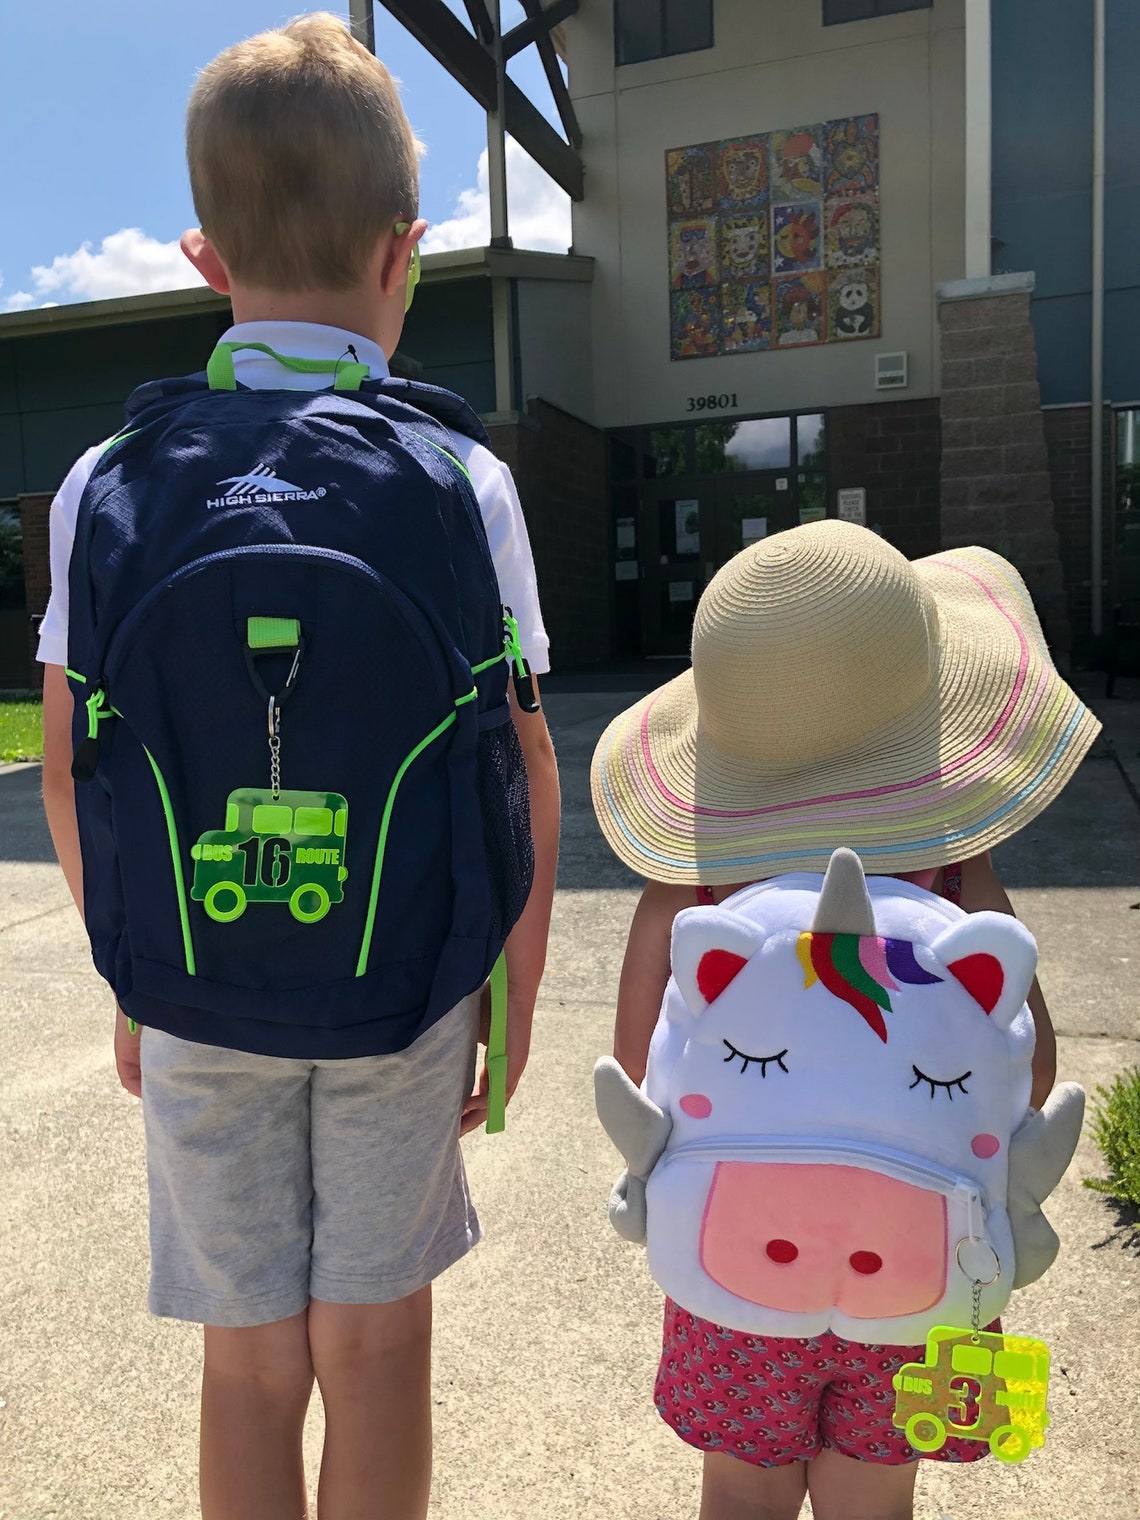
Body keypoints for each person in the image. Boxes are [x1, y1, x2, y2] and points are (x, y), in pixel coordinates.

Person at [38, 17, 559, 1520]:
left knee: (249, 1361)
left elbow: (71, 767)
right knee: (378, 1342)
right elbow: (523, 761)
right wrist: (509, 992)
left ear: (206, 260)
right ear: (405, 253)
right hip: (407, 986)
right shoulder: (464, 477)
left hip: (197, 991)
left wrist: (136, 965)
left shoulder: (103, 483)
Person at [590, 520, 1100, 1520]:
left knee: (740, 1492)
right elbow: (1028, 1067)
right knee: (878, 1497)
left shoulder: (690, 888)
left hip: (739, 1270)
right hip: (924, 1262)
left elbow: (644, 1074)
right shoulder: (953, 876)